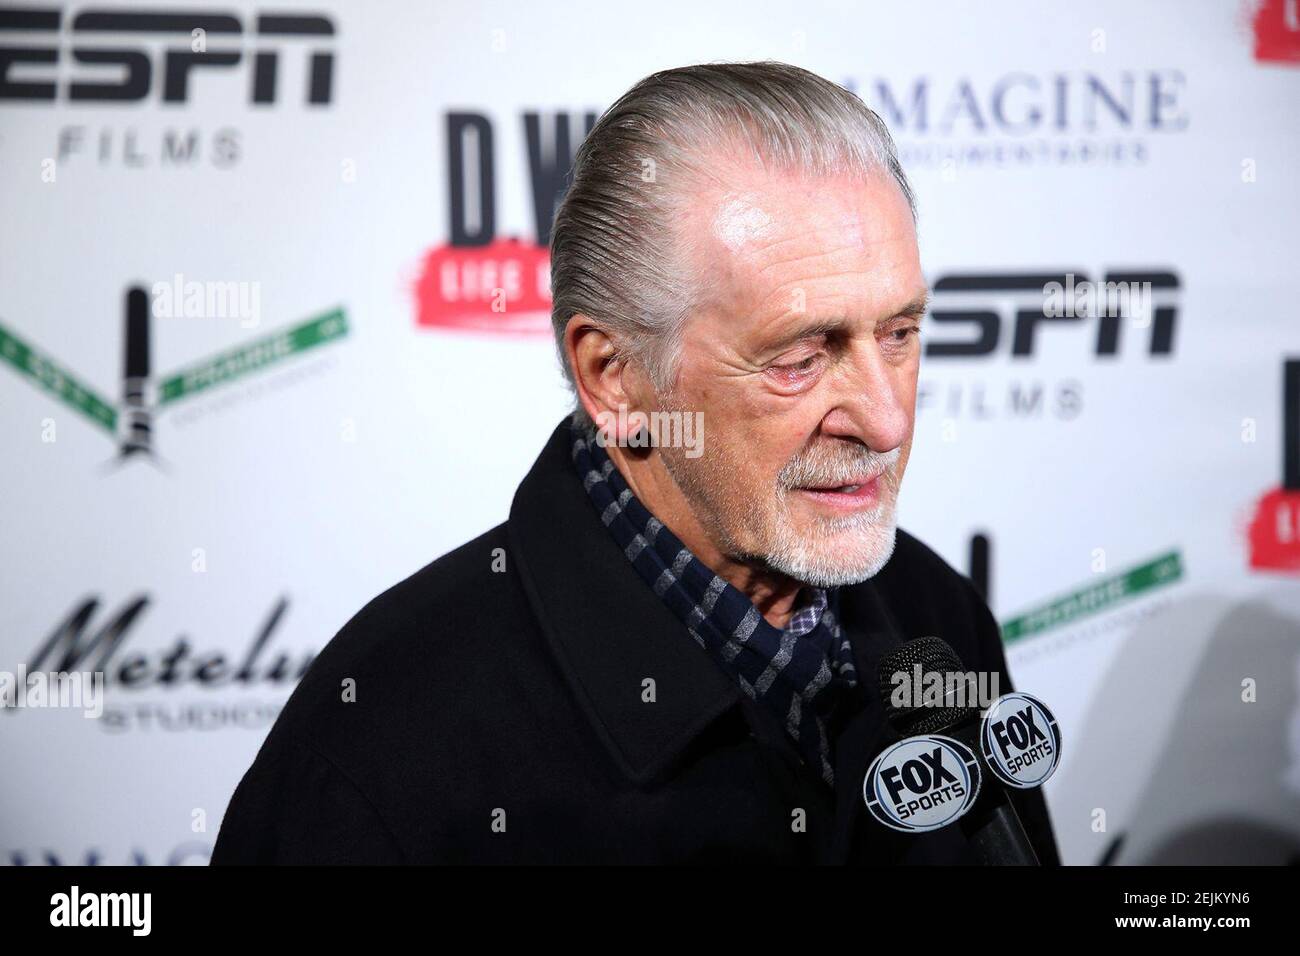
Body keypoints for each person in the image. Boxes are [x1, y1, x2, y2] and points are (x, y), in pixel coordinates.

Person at [212, 60, 1060, 865]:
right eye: (801, 357)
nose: (886, 417)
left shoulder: (935, 615)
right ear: (613, 378)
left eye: (900, 334)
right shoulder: (384, 742)